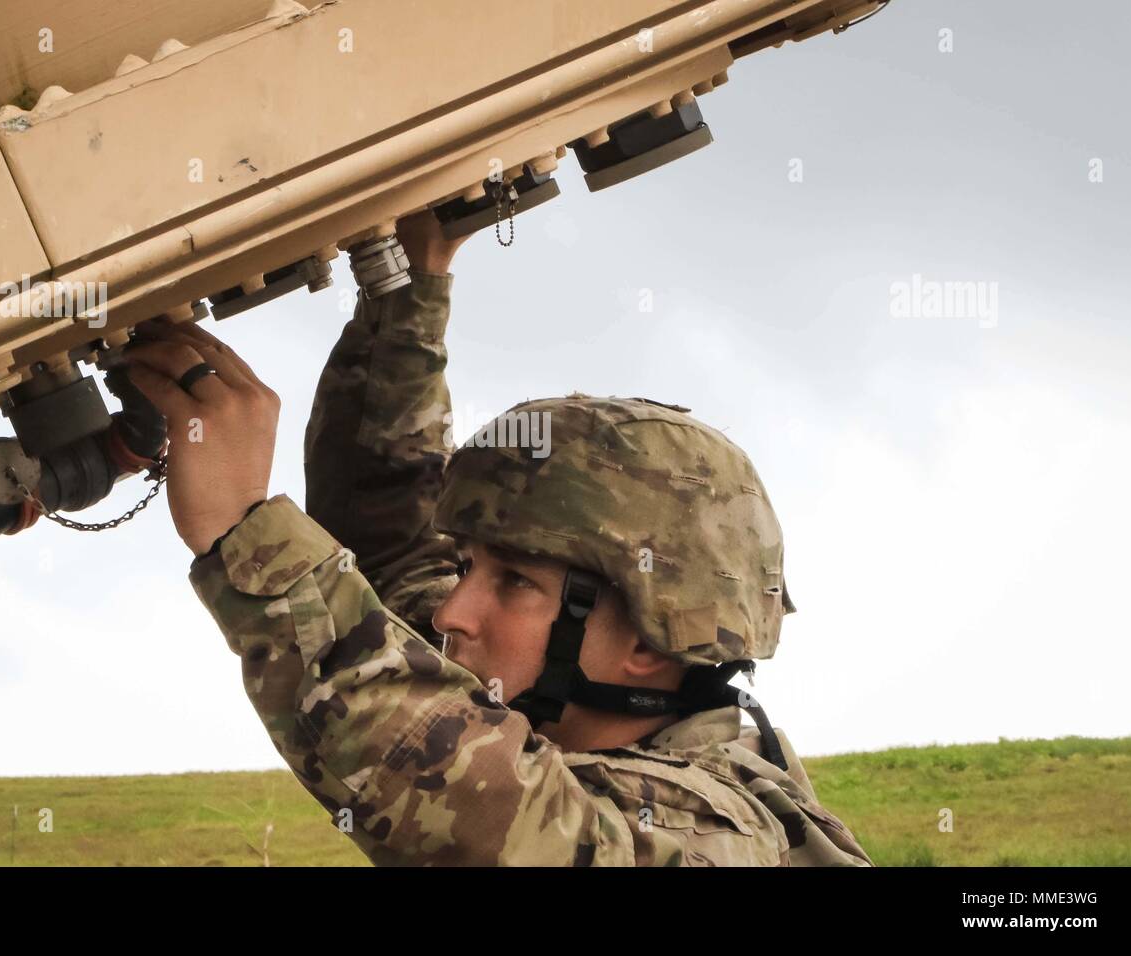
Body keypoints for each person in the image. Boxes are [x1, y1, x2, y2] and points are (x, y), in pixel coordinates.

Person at [123, 211, 873, 866]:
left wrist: (245, 530)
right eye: (469, 568)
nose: (453, 613)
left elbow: (480, 803)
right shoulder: (582, 702)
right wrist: (408, 287)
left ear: (645, 643)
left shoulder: (711, 838)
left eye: (514, 583)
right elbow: (390, 548)